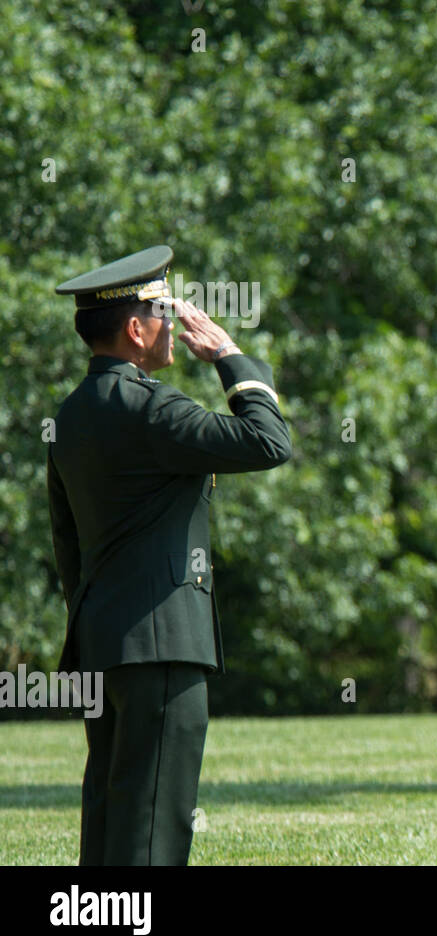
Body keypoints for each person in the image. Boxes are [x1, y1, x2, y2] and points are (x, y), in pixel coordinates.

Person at [49, 246, 292, 865]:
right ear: (135, 328)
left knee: (110, 810)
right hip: (161, 644)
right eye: (165, 310)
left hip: (102, 640)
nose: (179, 324)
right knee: (154, 820)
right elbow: (268, 441)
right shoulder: (154, 408)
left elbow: (67, 545)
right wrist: (232, 358)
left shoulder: (71, 415)